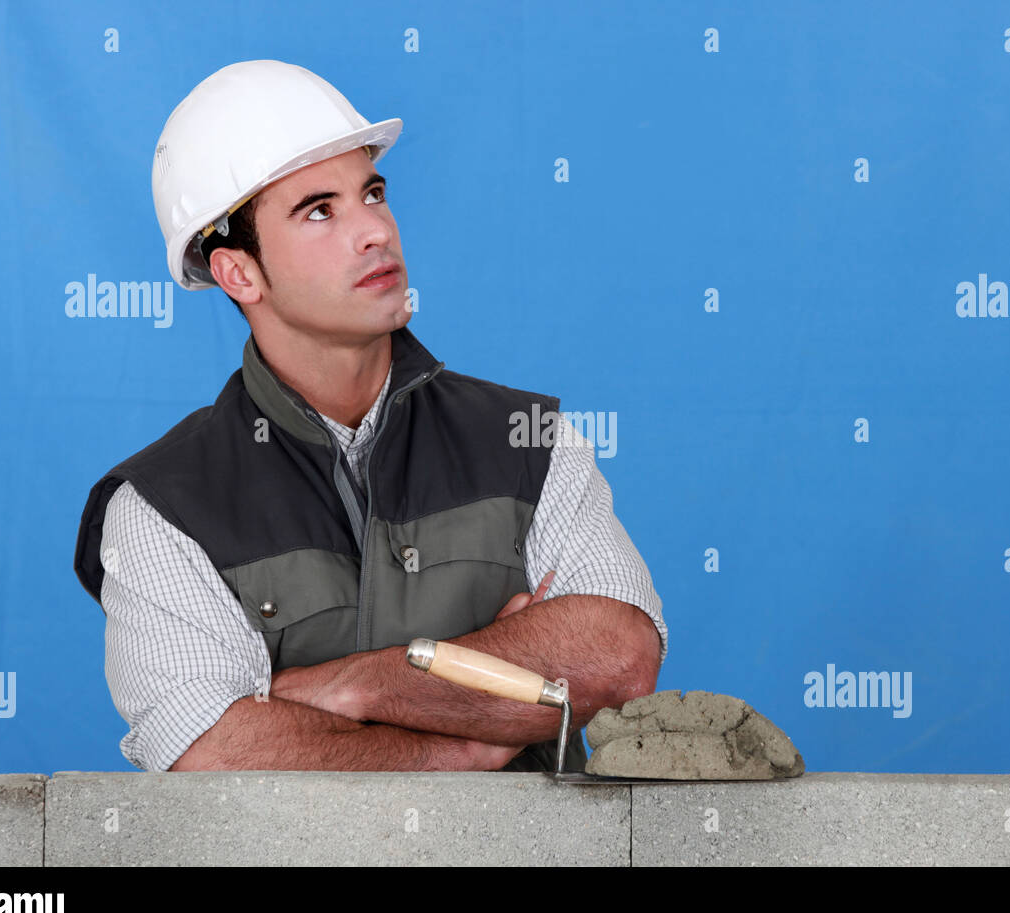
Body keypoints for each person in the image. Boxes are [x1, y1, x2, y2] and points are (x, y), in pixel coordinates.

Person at [72, 59, 667, 773]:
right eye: (320, 210)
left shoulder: (527, 441)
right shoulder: (163, 507)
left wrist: (350, 685)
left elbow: (616, 655)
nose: (374, 233)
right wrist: (472, 743)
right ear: (238, 273)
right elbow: (213, 749)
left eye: (372, 194)